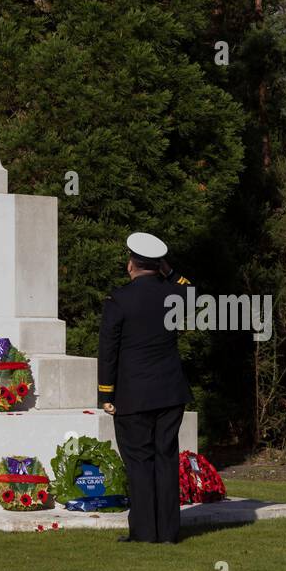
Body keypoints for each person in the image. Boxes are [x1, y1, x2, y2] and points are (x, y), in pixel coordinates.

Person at [97, 232, 191, 544]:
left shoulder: (119, 299)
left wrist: (106, 392)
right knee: (165, 458)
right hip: (169, 392)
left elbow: (108, 350)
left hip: (133, 394)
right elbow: (195, 295)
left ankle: (144, 531)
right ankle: (168, 532)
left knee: (139, 462)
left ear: (130, 265)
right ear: (159, 264)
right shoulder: (174, 296)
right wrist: (171, 272)